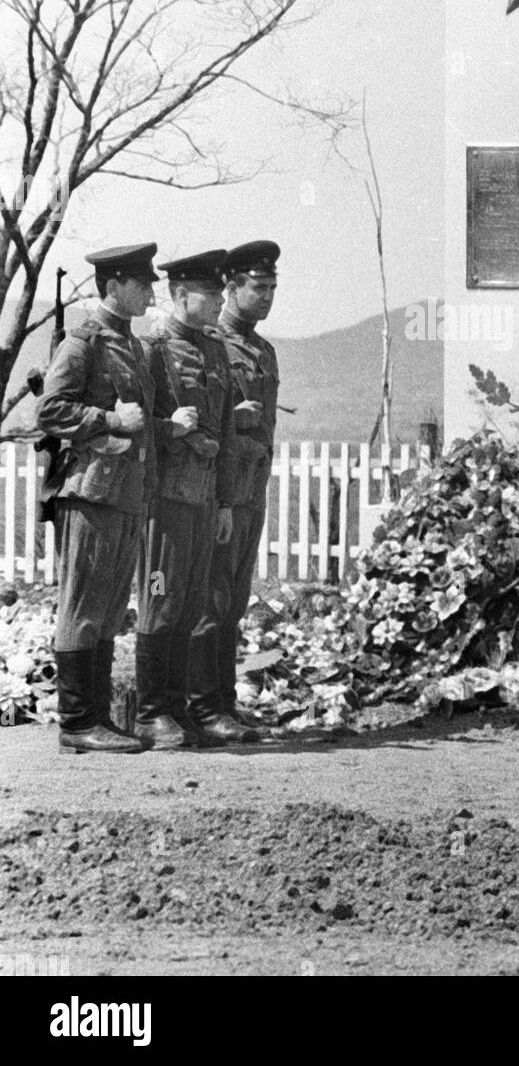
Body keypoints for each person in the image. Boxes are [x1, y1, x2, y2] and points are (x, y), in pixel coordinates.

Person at [36, 244, 168, 754]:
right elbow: (52, 411)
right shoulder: (83, 342)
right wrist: (111, 421)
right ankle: (75, 722)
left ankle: (97, 720)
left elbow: (138, 423)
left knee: (110, 609)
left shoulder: (131, 346)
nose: (151, 292)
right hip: (90, 493)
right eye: (142, 284)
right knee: (83, 606)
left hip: (124, 495)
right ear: (114, 286)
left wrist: (163, 429)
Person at [135, 250, 237, 750]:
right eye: (211, 293)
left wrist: (223, 502)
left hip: (202, 497)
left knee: (192, 602)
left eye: (220, 294)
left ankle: (177, 711)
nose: (220, 301)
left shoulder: (214, 351)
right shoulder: (152, 349)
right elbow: (136, 423)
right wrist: (174, 434)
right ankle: (151, 714)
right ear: (180, 295)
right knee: (160, 599)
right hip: (163, 497)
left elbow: (226, 433)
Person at [201, 241, 281, 735]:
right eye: (259, 286)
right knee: (209, 596)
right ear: (231, 286)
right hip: (218, 491)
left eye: (273, 287)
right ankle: (205, 705)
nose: (269, 296)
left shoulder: (263, 349)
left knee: (233, 599)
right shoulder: (212, 343)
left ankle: (224, 703)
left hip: (252, 488)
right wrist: (229, 416)